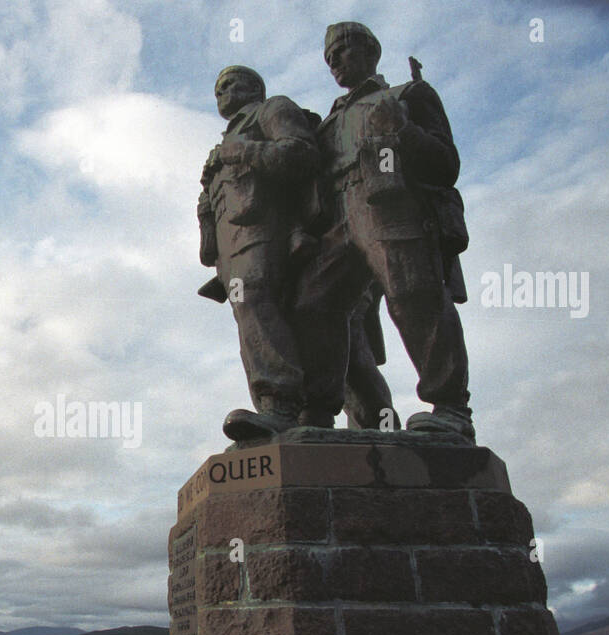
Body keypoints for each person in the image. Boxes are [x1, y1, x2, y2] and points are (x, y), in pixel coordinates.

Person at [301, 21, 475, 440]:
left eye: (342, 51)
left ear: (370, 51)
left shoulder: (408, 96)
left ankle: (450, 408)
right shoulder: (328, 124)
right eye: (329, 58)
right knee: (310, 305)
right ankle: (319, 412)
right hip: (337, 219)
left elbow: (446, 162)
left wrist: (402, 129)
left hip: (389, 205)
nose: (335, 63)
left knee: (413, 295)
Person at [197, 65, 324, 439]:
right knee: (250, 310)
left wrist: (243, 151)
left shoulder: (271, 110)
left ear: (255, 88)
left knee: (254, 298)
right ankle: (285, 406)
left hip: (270, 227)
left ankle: (280, 403)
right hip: (232, 244)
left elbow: (300, 153)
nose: (222, 92)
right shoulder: (221, 144)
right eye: (217, 88)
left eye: (231, 84)